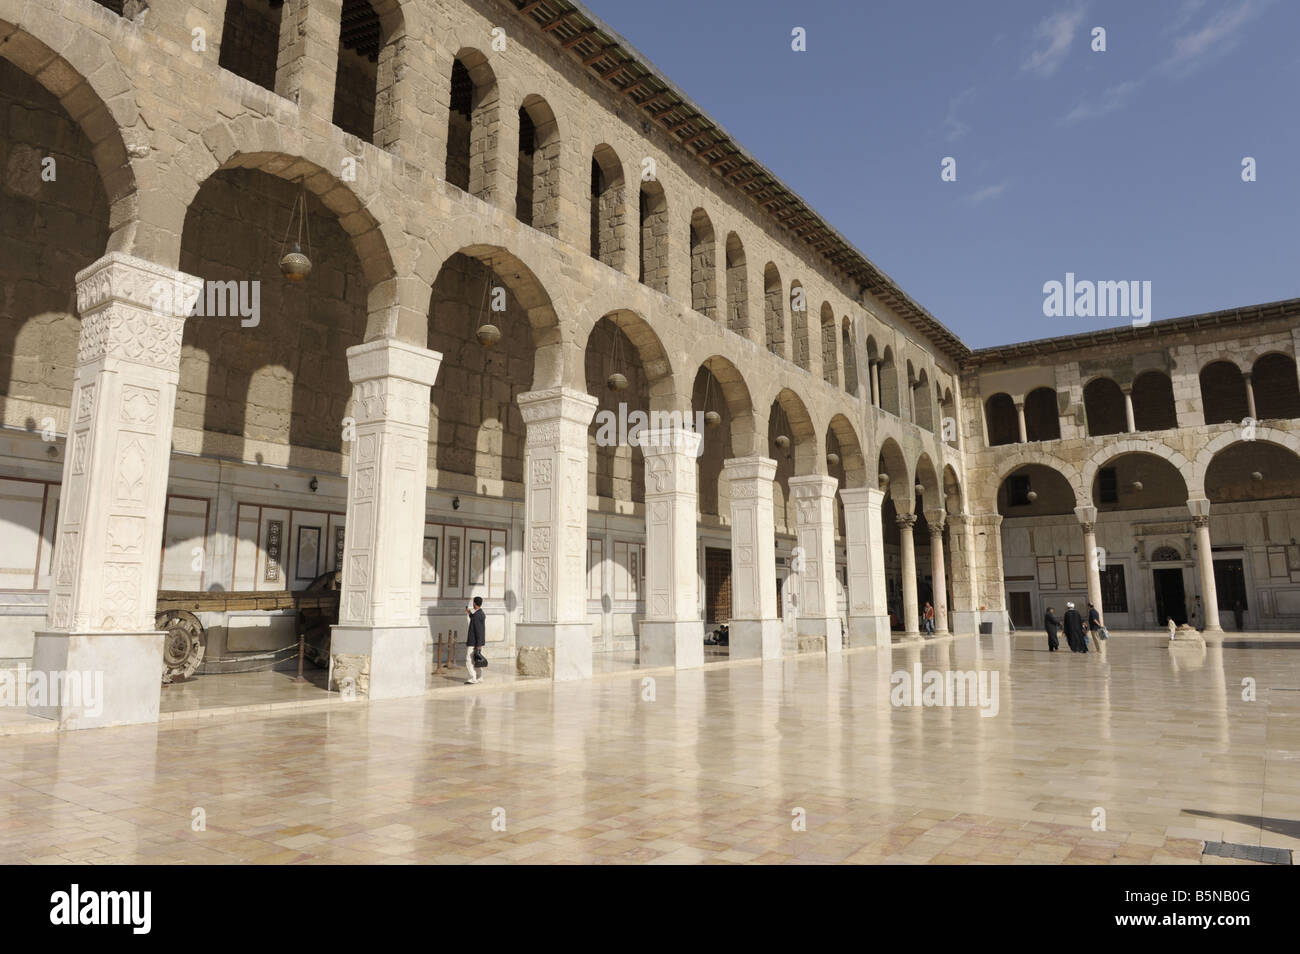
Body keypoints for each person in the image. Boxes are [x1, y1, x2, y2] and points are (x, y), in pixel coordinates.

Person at [465, 596, 486, 684]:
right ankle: (480, 676)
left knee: (469, 660)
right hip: (477, 642)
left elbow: (478, 630)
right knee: (477, 659)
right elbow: (474, 619)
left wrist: (478, 644)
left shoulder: (477, 616)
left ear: (474, 603)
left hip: (474, 641)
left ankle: (473, 677)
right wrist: (469, 613)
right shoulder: (480, 613)